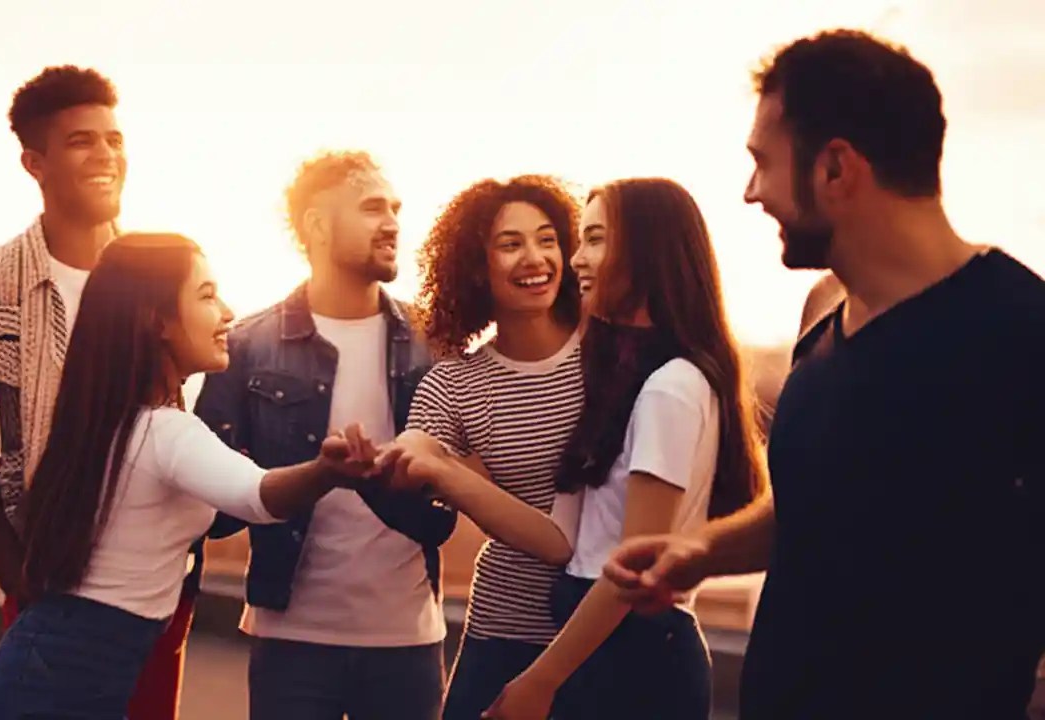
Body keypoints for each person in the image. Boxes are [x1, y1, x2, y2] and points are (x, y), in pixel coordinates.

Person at [604, 29, 1045, 719]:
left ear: (836, 168)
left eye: (763, 163)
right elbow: (823, 500)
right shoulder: (821, 311)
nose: (751, 193)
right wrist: (702, 551)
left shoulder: (1022, 339)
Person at [384, 178, 767, 719]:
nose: (565, 257)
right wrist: (413, 459)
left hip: (615, 649)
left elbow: (632, 568)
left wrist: (542, 679)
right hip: (562, 638)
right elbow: (567, 538)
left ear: (644, 251)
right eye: (510, 243)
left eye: (576, 239)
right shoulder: (620, 380)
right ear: (475, 265)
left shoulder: (651, 382)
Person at [0, 233, 382, 718]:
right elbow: (256, 496)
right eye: (206, 295)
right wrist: (327, 471)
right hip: (53, 695)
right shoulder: (165, 431)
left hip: (47, 680)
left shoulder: (110, 423)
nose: (226, 312)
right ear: (155, 319)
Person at [0, 66, 200, 719]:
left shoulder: (166, 272)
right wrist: (16, 579)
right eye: (83, 140)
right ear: (35, 161)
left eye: (114, 139)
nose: (107, 154)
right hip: (47, 583)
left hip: (158, 583)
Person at [195, 151, 455, 719]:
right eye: (370, 207)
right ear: (315, 225)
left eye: (395, 208)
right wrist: (312, 477)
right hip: (291, 638)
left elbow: (444, 511)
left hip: (406, 640)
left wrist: (378, 483)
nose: (391, 221)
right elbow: (212, 511)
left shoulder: (433, 343)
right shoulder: (244, 347)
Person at [395, 175, 582, 719]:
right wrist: (394, 459)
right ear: (475, 267)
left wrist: (449, 472)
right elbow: (416, 447)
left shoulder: (607, 359)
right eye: (510, 244)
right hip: (501, 629)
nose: (535, 258)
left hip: (598, 631)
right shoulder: (457, 383)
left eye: (548, 240)